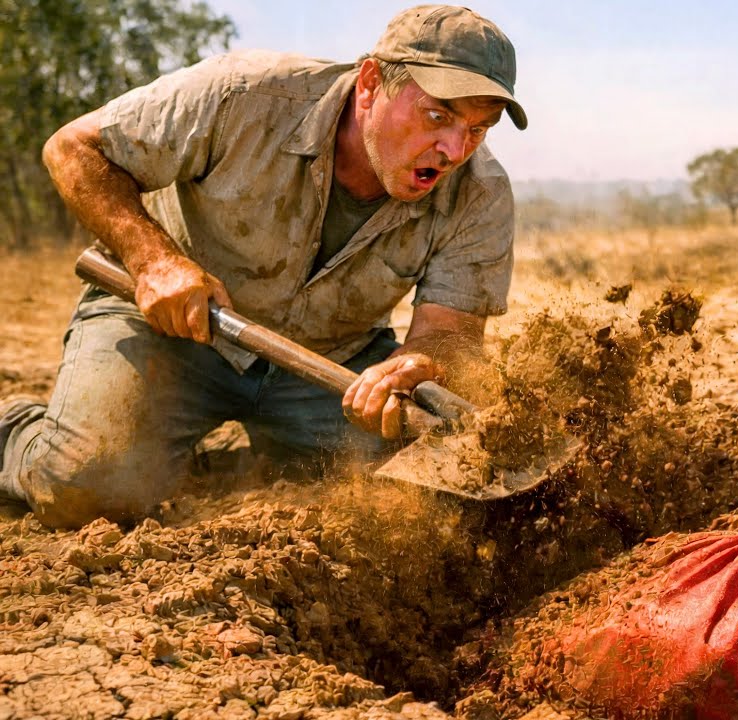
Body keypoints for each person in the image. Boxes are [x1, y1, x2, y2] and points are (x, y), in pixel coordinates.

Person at [0, 5, 526, 529]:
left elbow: (448, 334)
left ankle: (261, 442)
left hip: (332, 370)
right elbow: (74, 148)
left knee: (423, 497)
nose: (456, 149)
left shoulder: (481, 194)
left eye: (478, 129)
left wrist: (413, 366)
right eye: (438, 116)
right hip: (169, 327)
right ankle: (14, 431)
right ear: (371, 83)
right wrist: (155, 261)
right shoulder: (243, 95)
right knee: (85, 490)